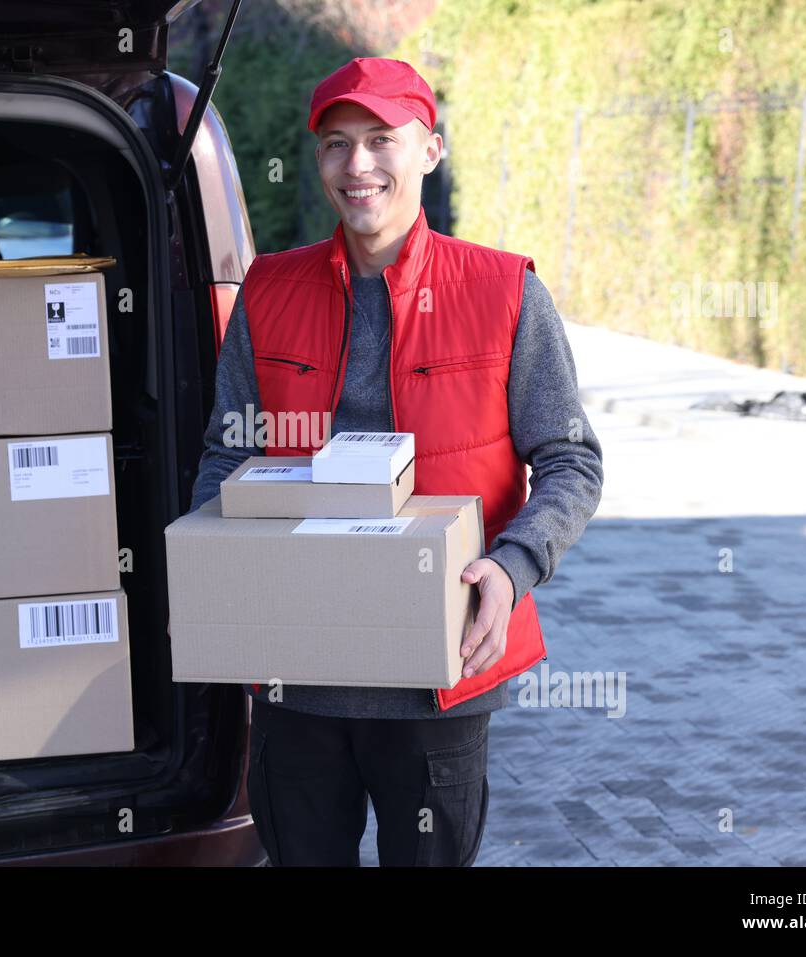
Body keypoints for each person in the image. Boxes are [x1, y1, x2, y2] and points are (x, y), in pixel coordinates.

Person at [187, 57, 604, 866]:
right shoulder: (268, 293)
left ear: (431, 150)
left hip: (436, 679)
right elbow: (227, 451)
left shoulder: (504, 292)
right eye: (337, 144)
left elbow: (571, 461)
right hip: (292, 675)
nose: (359, 166)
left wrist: (512, 567)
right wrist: (218, 574)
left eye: (382, 139)